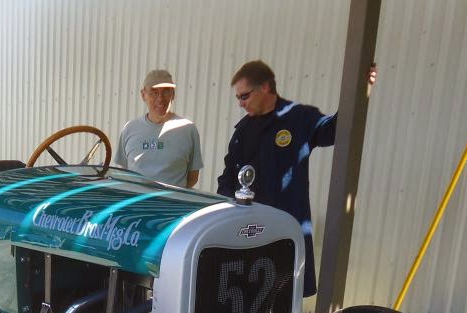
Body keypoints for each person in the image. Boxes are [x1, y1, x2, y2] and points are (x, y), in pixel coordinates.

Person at [215, 60, 375, 297]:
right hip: (248, 232)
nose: (241, 103)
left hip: (285, 232)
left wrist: (360, 92)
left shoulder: (300, 118)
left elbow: (337, 130)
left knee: (285, 300)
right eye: (238, 98)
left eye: (245, 96)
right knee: (246, 300)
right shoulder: (243, 131)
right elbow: (227, 179)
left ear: (266, 87)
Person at [114, 69, 203, 188]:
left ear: (173, 94)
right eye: (153, 92)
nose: (160, 99)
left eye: (166, 92)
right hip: (136, 204)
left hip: (172, 204)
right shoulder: (129, 129)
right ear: (143, 95)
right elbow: (123, 172)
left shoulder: (188, 130)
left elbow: (192, 177)